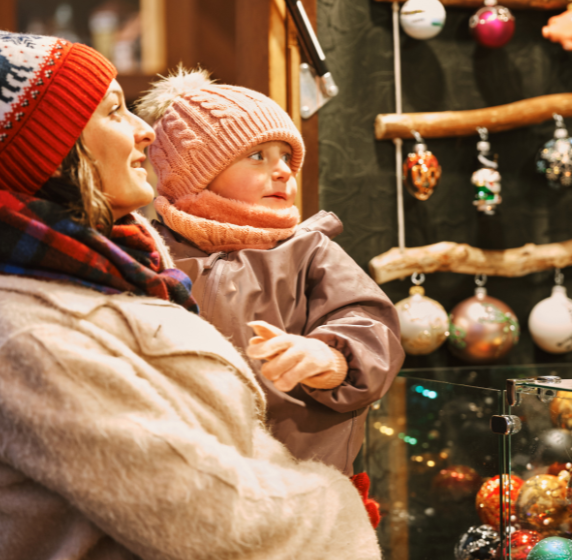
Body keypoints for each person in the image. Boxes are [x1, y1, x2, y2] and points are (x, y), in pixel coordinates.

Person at [0, 29, 381, 559]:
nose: (146, 131)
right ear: (56, 149)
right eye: (115, 112)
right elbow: (210, 518)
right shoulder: (29, 337)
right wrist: (338, 508)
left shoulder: (112, 274)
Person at [136, 69, 403, 475]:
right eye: (258, 156)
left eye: (286, 159)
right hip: (179, 478)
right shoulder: (150, 252)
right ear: (196, 174)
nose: (282, 171)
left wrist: (331, 358)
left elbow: (369, 323)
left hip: (302, 483)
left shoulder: (308, 250)